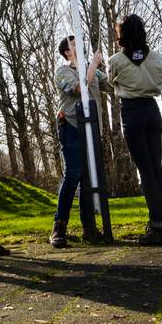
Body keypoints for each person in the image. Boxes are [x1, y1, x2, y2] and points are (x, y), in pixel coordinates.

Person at [107, 16, 162, 245]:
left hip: (132, 111)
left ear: (122, 34)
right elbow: (160, 76)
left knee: (145, 170)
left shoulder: (116, 60)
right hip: (152, 111)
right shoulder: (156, 57)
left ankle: (157, 227)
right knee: (156, 167)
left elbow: (110, 82)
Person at [51, 37, 113, 248]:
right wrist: (94, 66)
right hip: (71, 127)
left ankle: (90, 228)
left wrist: (108, 65)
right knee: (73, 175)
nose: (78, 46)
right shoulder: (62, 71)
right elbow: (80, 89)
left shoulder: (91, 68)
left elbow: (111, 84)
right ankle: (59, 226)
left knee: (91, 177)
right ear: (67, 52)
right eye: (73, 44)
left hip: (92, 129)